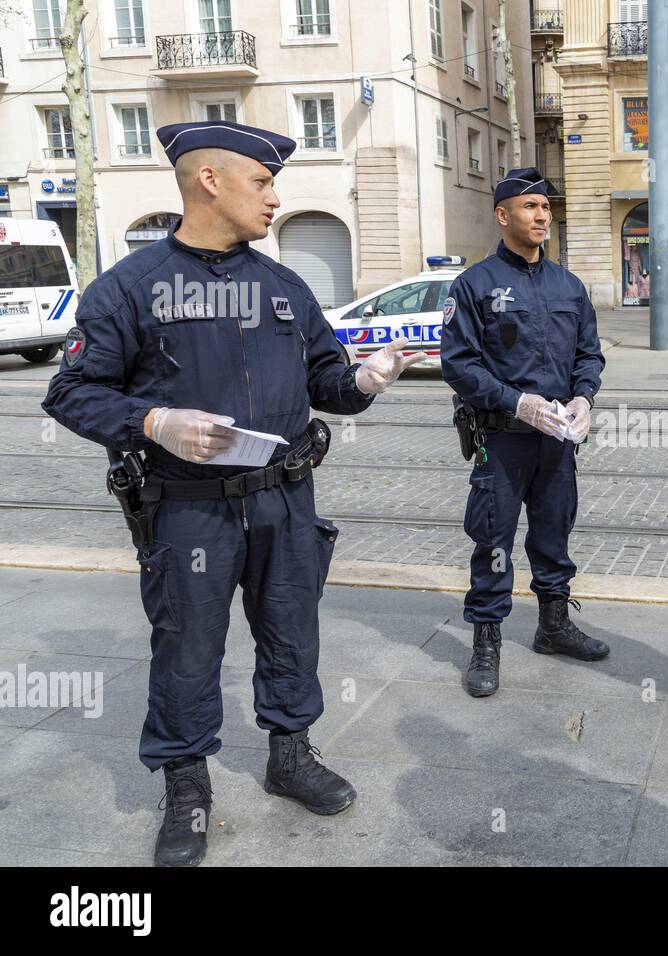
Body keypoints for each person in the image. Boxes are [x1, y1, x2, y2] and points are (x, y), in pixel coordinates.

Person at [42, 121, 422, 867]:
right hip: (187, 507)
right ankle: (186, 786)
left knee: (291, 630)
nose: (275, 197)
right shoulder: (130, 288)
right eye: (263, 181)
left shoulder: (283, 286)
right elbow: (71, 393)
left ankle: (291, 756)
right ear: (209, 181)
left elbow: (327, 382)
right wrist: (151, 420)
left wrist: (366, 381)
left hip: (284, 499)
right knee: (186, 647)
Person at [440, 167, 608, 699]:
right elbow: (459, 364)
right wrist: (518, 401)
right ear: (503, 214)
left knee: (554, 532)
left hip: (558, 438)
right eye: (531, 207)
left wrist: (584, 397)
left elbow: (589, 353)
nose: (542, 216)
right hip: (503, 437)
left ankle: (553, 625)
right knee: (492, 539)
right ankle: (486, 641)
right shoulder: (475, 285)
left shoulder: (569, 285)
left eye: (546, 208)